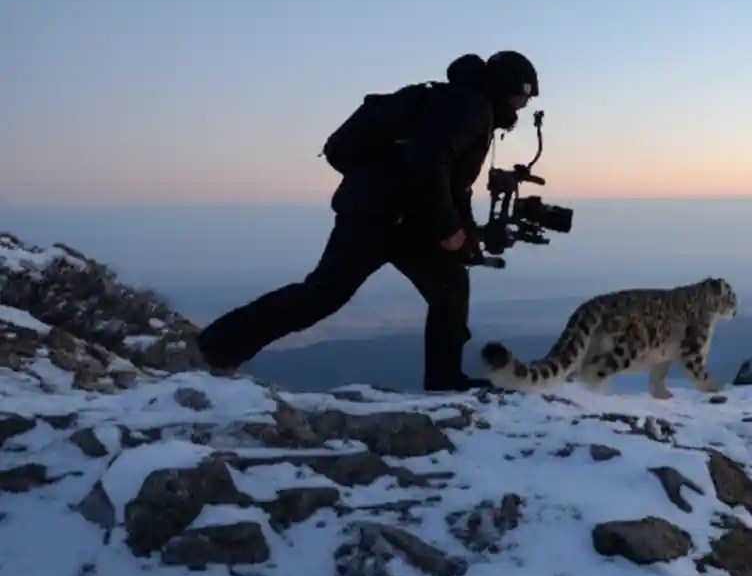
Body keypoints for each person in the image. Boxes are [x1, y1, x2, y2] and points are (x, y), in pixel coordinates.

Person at [194, 50, 539, 392]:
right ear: (504, 89)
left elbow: (449, 182)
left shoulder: (449, 101)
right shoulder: (471, 108)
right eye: (520, 98)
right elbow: (430, 162)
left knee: (333, 293)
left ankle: (218, 345)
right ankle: (444, 379)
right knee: (433, 290)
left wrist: (461, 232)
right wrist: (449, 230)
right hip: (392, 218)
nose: (520, 108)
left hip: (378, 213)